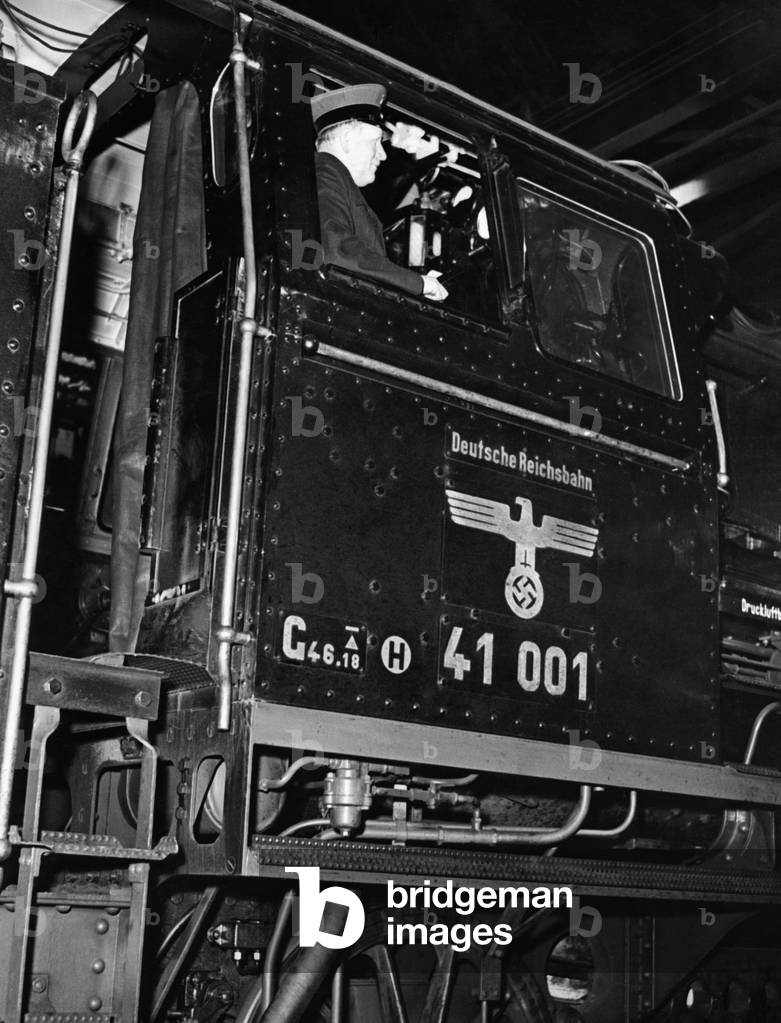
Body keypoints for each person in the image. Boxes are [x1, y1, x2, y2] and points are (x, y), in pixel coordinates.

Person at [311, 84, 448, 301]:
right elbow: (337, 249)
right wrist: (418, 284)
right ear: (347, 139)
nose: (382, 155)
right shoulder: (324, 170)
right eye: (376, 142)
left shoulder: (335, 180)